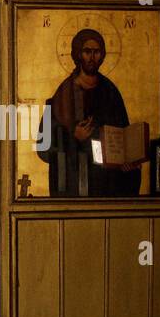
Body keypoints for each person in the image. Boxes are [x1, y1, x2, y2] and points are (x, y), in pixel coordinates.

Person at [38, 28, 141, 196]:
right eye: (87, 52)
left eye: (97, 52)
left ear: (102, 55)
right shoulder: (64, 94)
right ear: (78, 54)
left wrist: (129, 158)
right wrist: (72, 136)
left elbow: (123, 134)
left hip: (107, 181)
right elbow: (43, 148)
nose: (92, 57)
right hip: (76, 179)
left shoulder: (110, 92)